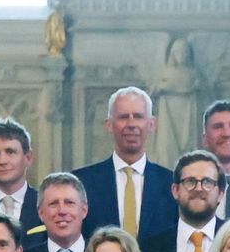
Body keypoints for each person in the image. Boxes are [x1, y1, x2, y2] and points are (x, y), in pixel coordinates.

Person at [74, 86, 175, 236]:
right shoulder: (82, 183)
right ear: (109, 125)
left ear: (152, 124)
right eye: (123, 117)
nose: (131, 124)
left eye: (138, 116)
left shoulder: (171, 183)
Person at [141, 151, 225, 252]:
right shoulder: (150, 247)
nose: (198, 188)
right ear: (175, 191)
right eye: (190, 182)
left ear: (220, 193)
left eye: (207, 182)